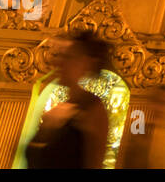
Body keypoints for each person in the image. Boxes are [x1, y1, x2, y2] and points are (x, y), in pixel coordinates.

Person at [24, 30, 111, 169]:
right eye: (61, 57)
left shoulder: (93, 109)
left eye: (69, 57)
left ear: (86, 64)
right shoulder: (60, 109)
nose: (59, 62)